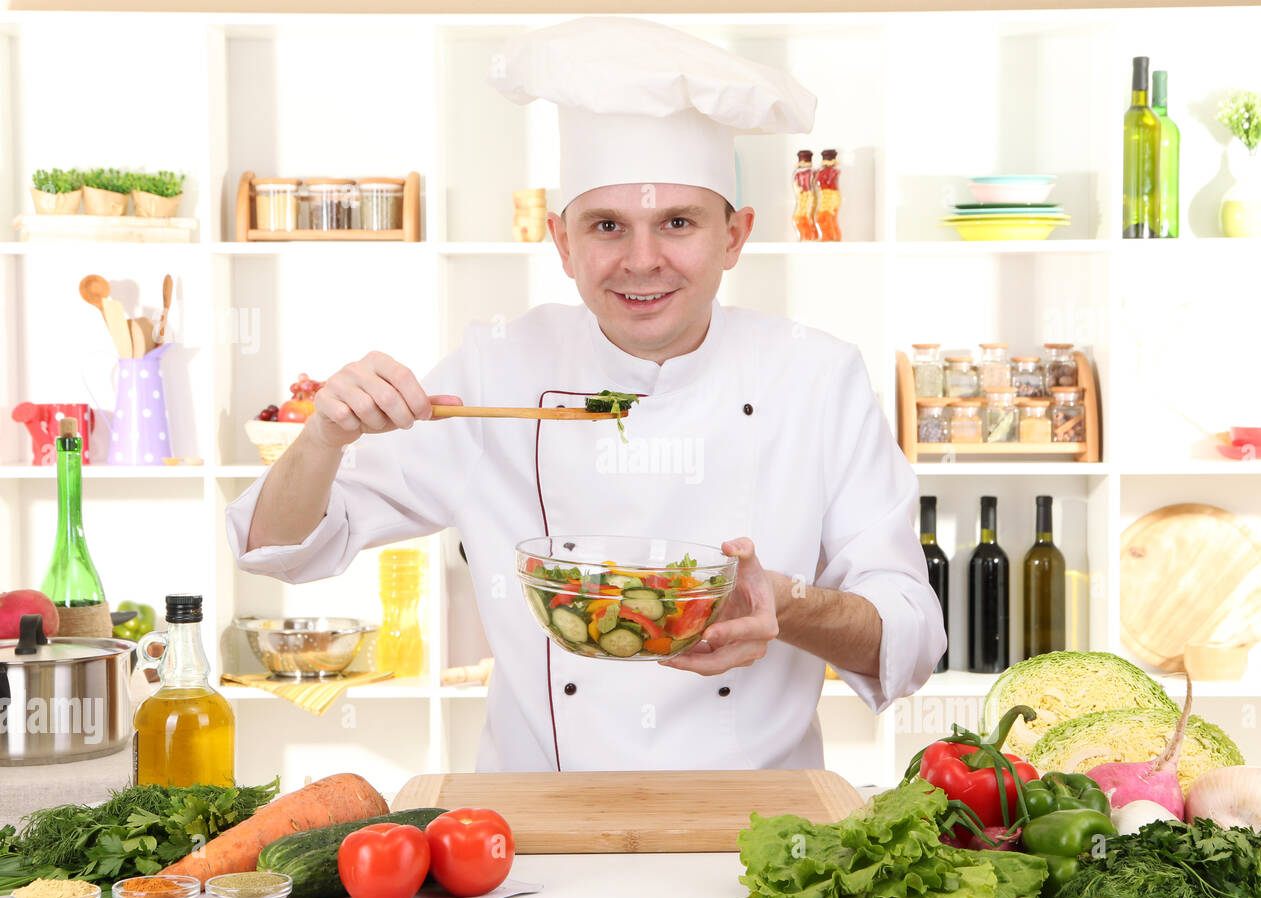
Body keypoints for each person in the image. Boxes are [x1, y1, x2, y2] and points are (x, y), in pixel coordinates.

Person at [226, 16, 946, 773]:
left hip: (755, 835)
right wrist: (322, 437)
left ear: (735, 236)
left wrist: (787, 605)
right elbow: (279, 550)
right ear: (563, 241)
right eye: (608, 225)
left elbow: (911, 634)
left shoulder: (817, 378)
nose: (643, 261)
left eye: (678, 222)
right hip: (530, 828)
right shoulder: (494, 370)